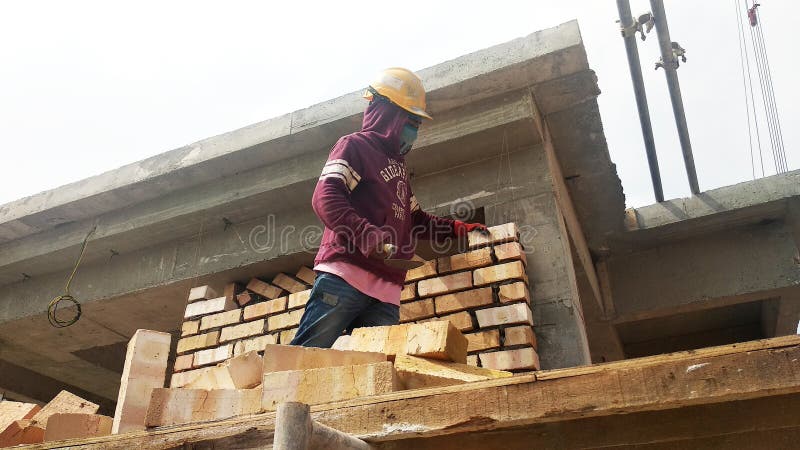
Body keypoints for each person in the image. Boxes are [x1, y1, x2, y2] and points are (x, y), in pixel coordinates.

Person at [290, 68, 487, 348]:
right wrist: (367, 235)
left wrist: (458, 228)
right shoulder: (355, 147)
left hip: (386, 293)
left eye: (417, 125)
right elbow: (326, 196)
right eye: (411, 122)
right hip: (345, 276)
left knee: (377, 369)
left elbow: (416, 220)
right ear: (388, 113)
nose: (414, 132)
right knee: (305, 357)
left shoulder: (399, 169)